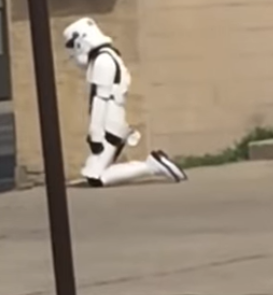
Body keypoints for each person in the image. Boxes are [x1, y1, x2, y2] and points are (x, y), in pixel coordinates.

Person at [62, 17, 187, 187]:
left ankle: (152, 166)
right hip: (112, 121)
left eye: (72, 45)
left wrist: (96, 133)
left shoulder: (103, 61)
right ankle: (151, 165)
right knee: (94, 172)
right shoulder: (105, 57)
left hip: (109, 124)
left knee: (96, 177)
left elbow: (100, 99)